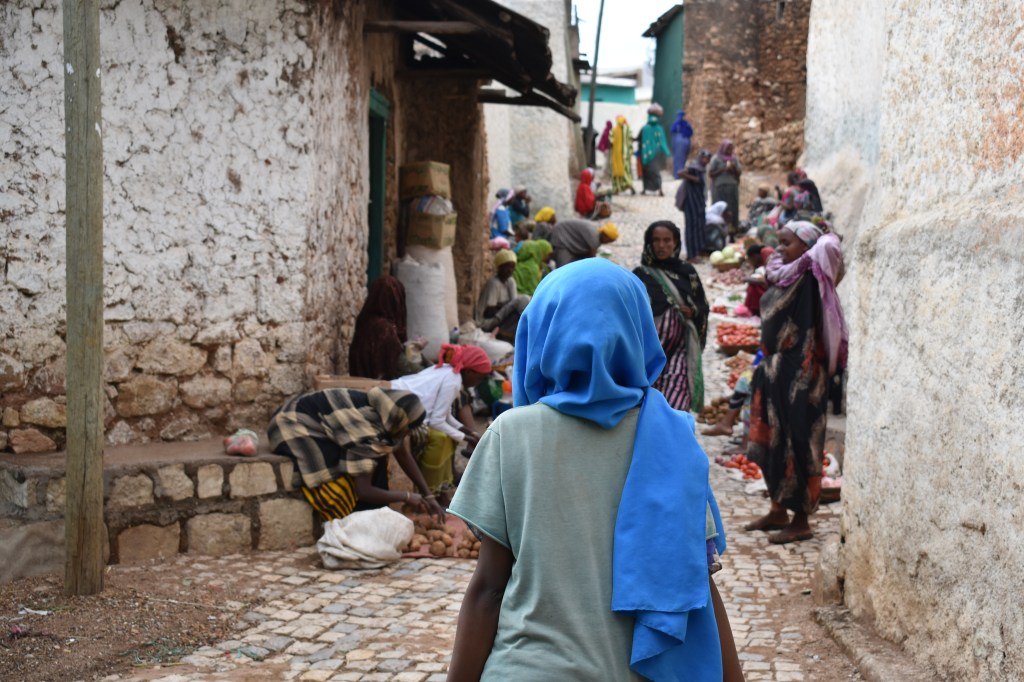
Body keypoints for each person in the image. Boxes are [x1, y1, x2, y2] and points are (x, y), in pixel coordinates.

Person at [446, 258, 740, 682]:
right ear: (639, 333)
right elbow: (696, 585)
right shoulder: (672, 440)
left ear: (543, 333)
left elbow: (490, 587)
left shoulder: (511, 434)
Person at [744, 222, 847, 545]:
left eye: (787, 242)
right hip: (775, 370)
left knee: (799, 444)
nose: (779, 248)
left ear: (807, 247)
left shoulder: (813, 275)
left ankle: (801, 519)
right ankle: (777, 509)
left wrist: (828, 236)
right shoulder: (783, 272)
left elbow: (830, 251)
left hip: (802, 377)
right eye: (778, 241)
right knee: (772, 439)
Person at [267, 387, 445, 522]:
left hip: (305, 412)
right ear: (399, 421)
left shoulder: (384, 413)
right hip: (290, 426)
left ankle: (375, 512)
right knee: (349, 468)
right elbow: (363, 490)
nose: (406, 436)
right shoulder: (365, 433)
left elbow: (402, 452)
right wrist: (406, 496)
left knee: (379, 452)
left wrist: (428, 494)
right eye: (407, 431)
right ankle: (360, 516)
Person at [391, 344, 492, 497]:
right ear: (470, 371)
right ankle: (434, 490)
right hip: (400, 408)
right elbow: (436, 421)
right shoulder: (453, 380)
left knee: (448, 437)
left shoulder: (447, 370)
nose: (478, 383)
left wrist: (468, 432)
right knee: (441, 438)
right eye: (480, 378)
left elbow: (445, 415)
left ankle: (444, 486)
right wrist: (466, 438)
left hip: (400, 399)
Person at [633, 221, 710, 413]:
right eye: (656, 240)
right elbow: (630, 313)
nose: (661, 245)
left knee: (676, 401)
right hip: (648, 354)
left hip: (680, 349)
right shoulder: (640, 275)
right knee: (647, 401)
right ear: (649, 243)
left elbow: (701, 304)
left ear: (676, 243)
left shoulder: (687, 272)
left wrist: (693, 311)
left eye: (667, 240)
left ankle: (674, 438)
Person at [348, 275, 410, 380]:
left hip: (359, 386)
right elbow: (402, 367)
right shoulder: (385, 330)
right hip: (379, 391)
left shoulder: (365, 321)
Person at [476, 249, 531, 342]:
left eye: (512, 267)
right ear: (500, 267)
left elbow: (513, 304)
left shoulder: (511, 281)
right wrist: (507, 307)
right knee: (523, 300)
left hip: (502, 316)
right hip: (488, 322)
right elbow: (489, 312)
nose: (510, 270)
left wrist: (508, 307)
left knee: (522, 308)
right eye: (507, 266)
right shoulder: (494, 283)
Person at [676, 148, 711, 262]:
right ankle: (691, 255)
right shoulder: (694, 168)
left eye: (707, 159)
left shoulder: (701, 169)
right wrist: (694, 179)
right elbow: (680, 173)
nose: (705, 161)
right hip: (691, 203)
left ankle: (698, 251)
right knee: (691, 228)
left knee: (698, 227)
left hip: (698, 203)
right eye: (704, 158)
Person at [549, 219, 618, 268]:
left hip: (570, 240)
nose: (608, 243)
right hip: (562, 237)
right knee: (563, 268)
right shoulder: (594, 236)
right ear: (605, 235)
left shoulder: (597, 231)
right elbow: (592, 259)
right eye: (609, 240)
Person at [708, 140, 742, 236]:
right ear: (723, 148)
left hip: (732, 188)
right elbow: (711, 173)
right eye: (728, 148)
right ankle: (719, 230)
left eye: (731, 148)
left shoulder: (734, 159)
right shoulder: (716, 159)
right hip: (720, 188)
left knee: (732, 209)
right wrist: (723, 169)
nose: (730, 150)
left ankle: (733, 230)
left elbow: (739, 172)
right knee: (721, 209)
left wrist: (733, 168)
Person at [639, 104, 671, 196]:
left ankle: (649, 189)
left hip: (645, 154)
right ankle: (658, 189)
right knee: (655, 172)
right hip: (656, 154)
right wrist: (667, 153)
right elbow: (663, 142)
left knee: (648, 172)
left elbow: (639, 139)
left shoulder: (645, 128)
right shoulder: (659, 128)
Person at [743, 244, 774, 316]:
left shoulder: (766, 252)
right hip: (770, 282)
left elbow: (766, 280)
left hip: (776, 283)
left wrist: (747, 279)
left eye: (751, 260)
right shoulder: (760, 260)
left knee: (753, 286)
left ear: (754, 256)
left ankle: (758, 310)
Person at [610, 115, 636, 195]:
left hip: (616, 156)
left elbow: (611, 141)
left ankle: (617, 189)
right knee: (626, 172)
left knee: (617, 172)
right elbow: (631, 140)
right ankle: (630, 185)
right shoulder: (628, 130)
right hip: (626, 156)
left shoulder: (613, 131)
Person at [670, 110, 694, 178]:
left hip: (678, 142)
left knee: (678, 158)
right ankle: (680, 174)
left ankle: (677, 175)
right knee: (683, 159)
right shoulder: (686, 124)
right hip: (686, 142)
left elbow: (672, 132)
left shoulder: (675, 124)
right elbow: (691, 133)